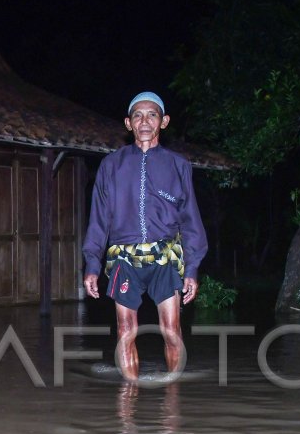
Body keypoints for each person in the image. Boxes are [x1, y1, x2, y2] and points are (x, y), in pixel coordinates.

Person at [83, 91, 208, 381]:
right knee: (126, 330)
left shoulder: (178, 165)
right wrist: (91, 264)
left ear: (163, 121)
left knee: (172, 330)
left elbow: (190, 220)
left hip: (165, 256)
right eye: (137, 115)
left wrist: (192, 268)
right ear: (128, 123)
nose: (144, 121)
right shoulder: (111, 165)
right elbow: (99, 218)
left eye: (151, 114)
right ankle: (128, 405)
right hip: (124, 257)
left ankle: (172, 402)